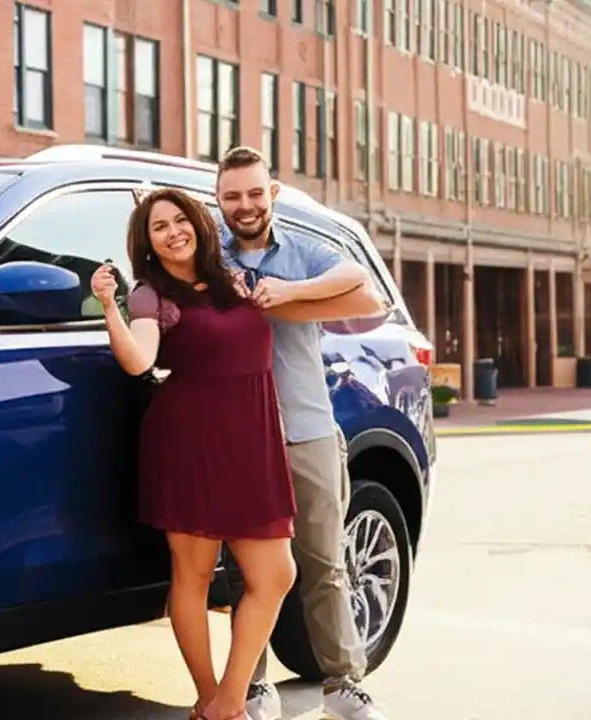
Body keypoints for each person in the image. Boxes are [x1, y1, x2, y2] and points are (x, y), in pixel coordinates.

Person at [90, 187, 371, 720]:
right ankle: (210, 698)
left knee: (277, 576)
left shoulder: (234, 279)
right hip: (190, 441)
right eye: (158, 226)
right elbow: (138, 361)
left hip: (254, 439)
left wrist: (289, 289)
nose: (173, 232)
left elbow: (359, 294)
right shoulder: (151, 294)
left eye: (180, 220)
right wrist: (110, 307)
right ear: (145, 242)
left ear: (198, 223)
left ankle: (228, 701)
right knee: (193, 577)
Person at [211, 146, 389, 720]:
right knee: (249, 572)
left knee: (326, 564)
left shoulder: (305, 250)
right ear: (219, 199)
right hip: (240, 438)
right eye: (233, 195)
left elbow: (361, 284)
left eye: (255, 193)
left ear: (273, 192)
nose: (245, 205)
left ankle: (343, 685)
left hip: (308, 428)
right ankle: (254, 685)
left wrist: (286, 294)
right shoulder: (211, 251)